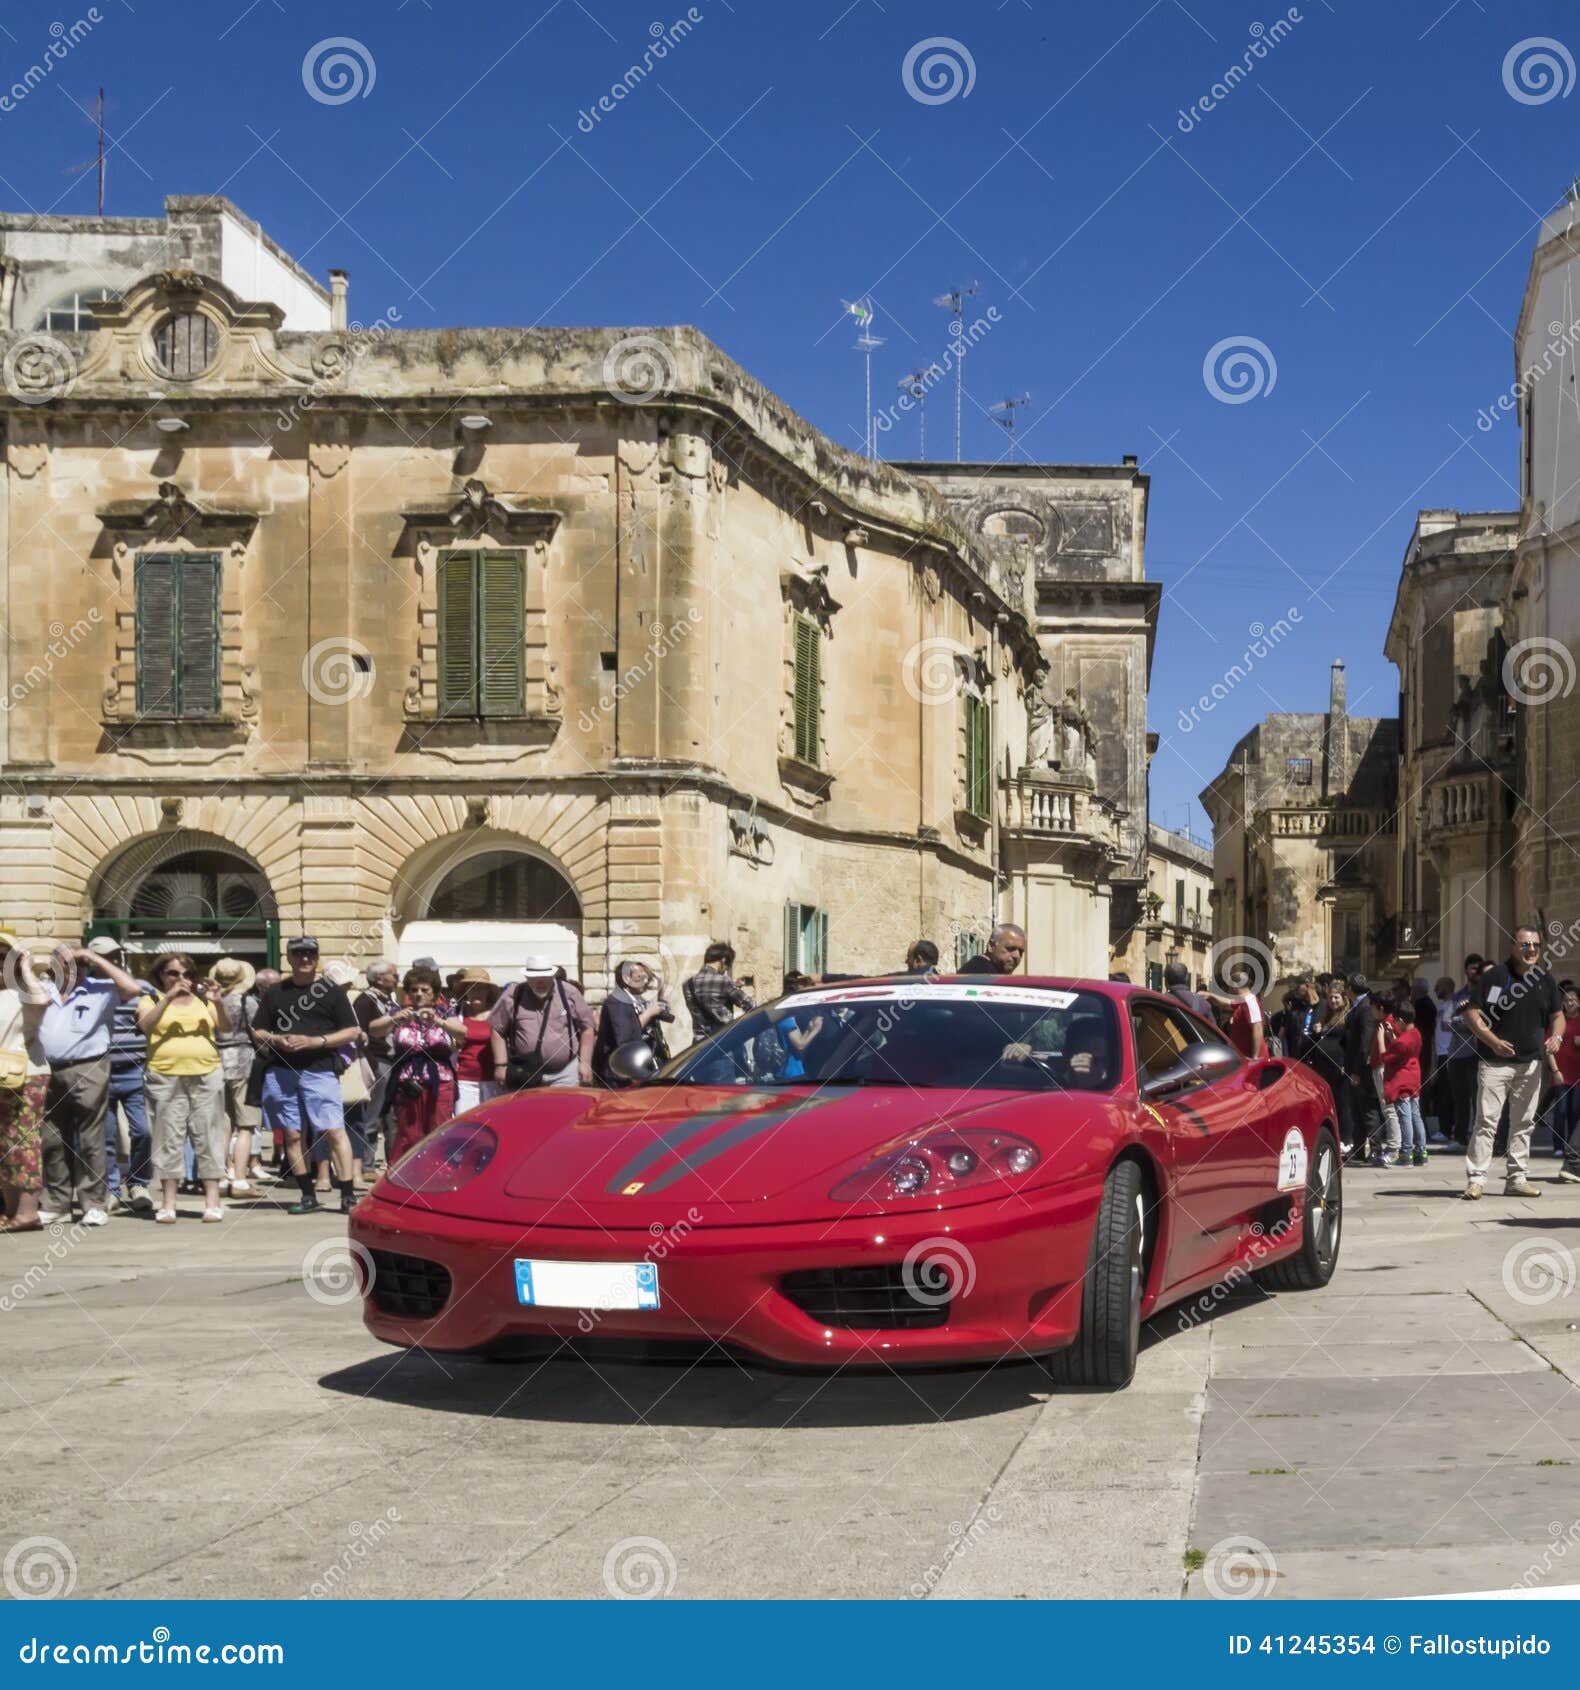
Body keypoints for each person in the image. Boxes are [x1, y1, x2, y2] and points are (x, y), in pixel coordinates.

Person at [250, 937, 361, 1215]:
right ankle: (307, 1194)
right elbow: (257, 1030)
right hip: (282, 1071)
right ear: (288, 958)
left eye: (310, 954)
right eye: (298, 954)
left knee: (334, 1130)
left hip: (319, 1069)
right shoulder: (275, 992)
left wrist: (317, 1042)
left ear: (317, 957)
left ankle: (347, 1195)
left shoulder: (332, 992)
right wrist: (278, 1039)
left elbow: (351, 1031)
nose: (304, 959)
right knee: (291, 1134)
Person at [37, 941, 142, 1228]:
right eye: (66, 962)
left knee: (90, 1139)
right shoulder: (43, 991)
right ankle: (55, 1202)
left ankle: (93, 1203)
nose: (73, 968)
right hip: (47, 1069)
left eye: (78, 963)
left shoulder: (100, 988)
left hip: (88, 1066)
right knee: (52, 1139)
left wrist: (93, 957)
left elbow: (132, 989)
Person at [1462, 925, 1564, 1200]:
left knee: (1524, 1122)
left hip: (1530, 1064)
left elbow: (1558, 1015)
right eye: (1525, 945)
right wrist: (1492, 1040)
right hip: (1494, 1064)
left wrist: (1557, 1036)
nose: (1531, 950)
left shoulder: (1545, 979)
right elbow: (1472, 1014)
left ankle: (1517, 1178)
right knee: (1486, 1122)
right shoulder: (1494, 977)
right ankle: (1476, 1180)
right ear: (1513, 947)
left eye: (1535, 945)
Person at [138, 954, 230, 1224]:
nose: (181, 979)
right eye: (173, 974)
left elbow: (225, 1027)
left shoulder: (203, 1001)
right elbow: (145, 1026)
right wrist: (167, 998)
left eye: (187, 974)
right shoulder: (151, 999)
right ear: (161, 975)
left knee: (208, 1135)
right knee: (168, 1138)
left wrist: (218, 1002)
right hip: (165, 1075)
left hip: (206, 1073)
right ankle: (168, 1203)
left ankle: (212, 1201)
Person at [85, 936, 156, 1216]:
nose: (112, 960)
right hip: (99, 1071)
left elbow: (151, 1022)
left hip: (134, 1069)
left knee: (143, 1131)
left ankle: (138, 1183)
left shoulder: (141, 988)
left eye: (115, 955)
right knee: (106, 1136)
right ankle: (112, 1188)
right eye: (105, 956)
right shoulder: (85, 989)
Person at [385, 967, 465, 1164]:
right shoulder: (399, 1012)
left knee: (439, 1129)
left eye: (424, 990)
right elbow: (374, 1029)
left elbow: (463, 1034)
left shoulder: (445, 1012)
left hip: (440, 1080)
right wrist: (395, 1019)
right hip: (407, 1082)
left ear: (434, 993)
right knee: (408, 1132)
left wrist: (438, 1021)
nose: (418, 994)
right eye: (414, 990)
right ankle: (408, 1175)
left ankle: (439, 1172)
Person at [0, 933, 49, 1233]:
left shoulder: (24, 993)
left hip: (26, 1074)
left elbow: (43, 1000)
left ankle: (28, 1212)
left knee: (24, 1143)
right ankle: (11, 1211)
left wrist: (25, 963)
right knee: (4, 1147)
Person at [490, 955, 595, 1090]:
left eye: (545, 979)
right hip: (525, 1073)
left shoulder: (569, 993)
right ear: (527, 978)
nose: (540, 983)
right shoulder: (513, 995)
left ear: (552, 976)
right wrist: (501, 1065)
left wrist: (585, 1063)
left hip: (565, 1073)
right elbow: (497, 1030)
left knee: (565, 1111)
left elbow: (587, 1028)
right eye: (535, 979)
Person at [209, 957, 260, 1198]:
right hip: (243, 1058)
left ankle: (220, 1176)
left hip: (216, 1059)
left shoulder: (209, 1002)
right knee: (246, 1124)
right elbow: (258, 1032)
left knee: (223, 1122)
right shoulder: (246, 1001)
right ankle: (239, 1179)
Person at [593, 960, 674, 1086]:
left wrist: (661, 995)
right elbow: (625, 1037)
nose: (646, 981)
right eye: (640, 976)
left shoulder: (638, 1000)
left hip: (641, 1066)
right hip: (621, 1072)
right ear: (626, 979)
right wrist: (648, 1014)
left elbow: (667, 1017)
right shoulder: (616, 1002)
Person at [353, 960, 401, 1172]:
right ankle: (366, 1164)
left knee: (390, 1115)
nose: (397, 979)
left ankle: (393, 1161)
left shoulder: (388, 1000)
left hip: (391, 1060)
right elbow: (361, 1034)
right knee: (372, 1115)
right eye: (394, 975)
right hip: (377, 1062)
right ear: (380, 978)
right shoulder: (365, 1001)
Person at [1378, 984, 1427, 1169]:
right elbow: (1402, 1048)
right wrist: (1393, 1038)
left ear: (1399, 1019)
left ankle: (1406, 1154)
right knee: (1416, 1116)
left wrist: (1382, 1038)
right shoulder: (1416, 1034)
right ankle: (1421, 1151)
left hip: (1401, 1080)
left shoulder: (1402, 1041)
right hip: (1414, 1076)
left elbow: (1386, 1057)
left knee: (1404, 1117)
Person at [1342, 972, 1387, 1165]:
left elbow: (1364, 1043)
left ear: (1350, 989)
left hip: (1362, 1069)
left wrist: (1357, 1072)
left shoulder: (1366, 1008)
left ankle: (1376, 1149)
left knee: (1368, 1110)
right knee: (1357, 1110)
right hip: (1354, 1066)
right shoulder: (1358, 1006)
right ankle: (1359, 1149)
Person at [1443, 955, 1484, 1148]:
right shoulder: (1458, 996)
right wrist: (1469, 1021)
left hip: (1479, 1053)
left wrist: (1462, 1018)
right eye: (1472, 968)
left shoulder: (1485, 995)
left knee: (1479, 1098)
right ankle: (1459, 1136)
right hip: (1457, 1054)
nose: (1475, 972)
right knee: (1460, 1098)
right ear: (1466, 971)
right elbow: (1445, 1022)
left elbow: (1487, 1020)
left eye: (1478, 968)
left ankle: (1478, 1137)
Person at [452, 969, 503, 1112]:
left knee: (492, 1121)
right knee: (465, 1122)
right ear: (466, 991)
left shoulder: (498, 1014)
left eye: (481, 989)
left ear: (488, 992)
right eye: (472, 989)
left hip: (493, 1079)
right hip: (464, 1080)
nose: (476, 992)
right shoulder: (456, 1013)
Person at [682, 942, 756, 1035]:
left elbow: (708, 998)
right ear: (723, 960)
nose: (726, 969)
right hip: (724, 1042)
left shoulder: (687, 984)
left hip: (700, 1045)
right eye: (728, 966)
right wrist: (758, 986)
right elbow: (753, 1008)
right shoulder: (724, 981)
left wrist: (734, 986)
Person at [1549, 986, 1580, 1181]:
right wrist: (1555, 1071)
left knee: (1575, 1113)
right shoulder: (1558, 1021)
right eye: (1567, 1000)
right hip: (1562, 1074)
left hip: (1577, 1076)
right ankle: (1561, 1148)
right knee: (1560, 1110)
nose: (1570, 1003)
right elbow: (1549, 1048)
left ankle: (1571, 1152)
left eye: (1573, 1000)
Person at [958, 924, 1027, 976]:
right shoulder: (981, 973)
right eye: (1010, 948)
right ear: (991, 946)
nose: (1017, 956)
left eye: (1021, 951)